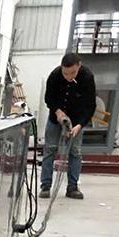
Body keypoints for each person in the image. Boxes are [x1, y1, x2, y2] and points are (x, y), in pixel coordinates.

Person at [40, 52, 96, 200]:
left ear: (79, 66)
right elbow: (48, 98)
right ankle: (45, 185)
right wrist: (58, 112)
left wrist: (80, 125)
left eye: (72, 73)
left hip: (76, 120)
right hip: (56, 119)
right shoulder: (55, 75)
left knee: (75, 152)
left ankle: (72, 187)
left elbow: (90, 106)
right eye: (65, 73)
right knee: (50, 149)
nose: (68, 77)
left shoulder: (87, 78)